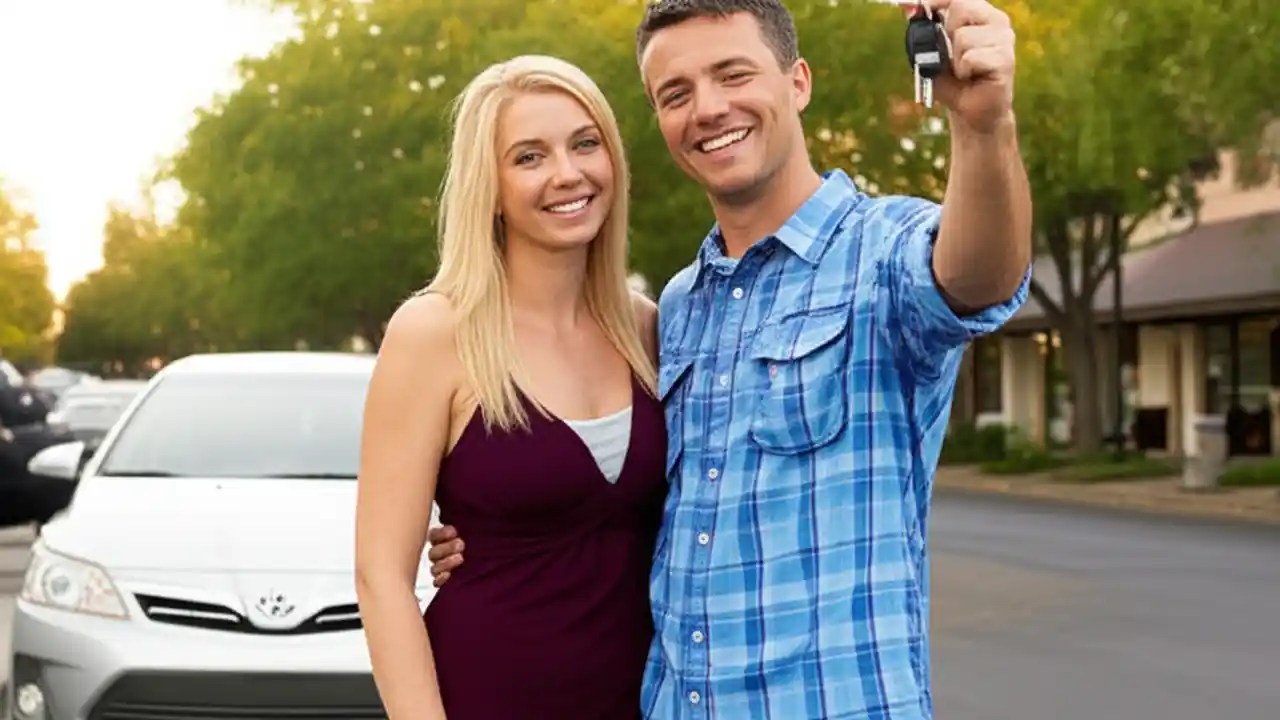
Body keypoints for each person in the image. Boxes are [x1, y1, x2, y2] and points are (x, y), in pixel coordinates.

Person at [428, 0, 1033, 717]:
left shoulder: (883, 251)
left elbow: (976, 275)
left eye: (732, 74)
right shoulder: (675, 309)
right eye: (675, 94)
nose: (707, 109)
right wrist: (513, 539)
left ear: (798, 82)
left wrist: (983, 127)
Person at [354, 54, 668, 720]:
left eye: (585, 144)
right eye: (529, 157)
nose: (568, 173)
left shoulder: (649, 331)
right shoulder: (435, 332)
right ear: (488, 186)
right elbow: (381, 578)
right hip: (486, 692)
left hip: (643, 700)